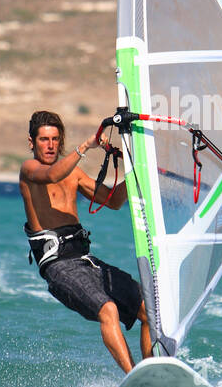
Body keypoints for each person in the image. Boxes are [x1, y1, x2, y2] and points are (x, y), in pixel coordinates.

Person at [19, 110, 151, 372]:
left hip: (85, 260)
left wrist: (138, 174)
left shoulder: (74, 174)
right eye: (44, 139)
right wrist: (85, 146)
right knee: (108, 309)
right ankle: (133, 375)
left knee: (149, 310)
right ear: (32, 142)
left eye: (55, 139)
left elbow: (112, 201)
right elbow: (52, 175)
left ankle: (152, 374)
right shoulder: (30, 170)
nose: (50, 145)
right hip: (58, 265)